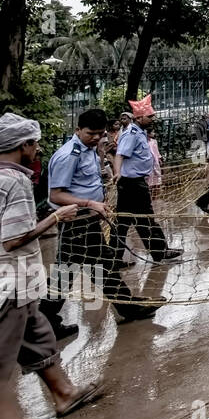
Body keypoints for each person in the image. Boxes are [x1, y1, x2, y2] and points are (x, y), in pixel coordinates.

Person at [0, 113, 103, 419]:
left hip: (22, 284)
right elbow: (12, 239)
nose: (38, 148)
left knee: (39, 336)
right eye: (34, 143)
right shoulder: (13, 181)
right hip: (10, 283)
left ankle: (64, 393)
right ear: (23, 145)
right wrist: (55, 218)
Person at [46, 108, 160, 327]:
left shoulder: (88, 149)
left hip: (89, 221)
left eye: (101, 133)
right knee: (68, 272)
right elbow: (56, 195)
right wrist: (89, 203)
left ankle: (128, 308)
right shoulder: (69, 155)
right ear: (77, 129)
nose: (97, 137)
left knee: (102, 266)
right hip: (76, 223)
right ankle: (43, 321)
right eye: (91, 133)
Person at [113, 96, 182, 261]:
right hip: (132, 184)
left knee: (126, 221)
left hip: (135, 182)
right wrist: (117, 173)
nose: (153, 119)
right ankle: (159, 252)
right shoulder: (131, 133)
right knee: (143, 218)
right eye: (149, 116)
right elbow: (120, 154)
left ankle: (115, 258)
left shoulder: (140, 132)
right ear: (138, 117)